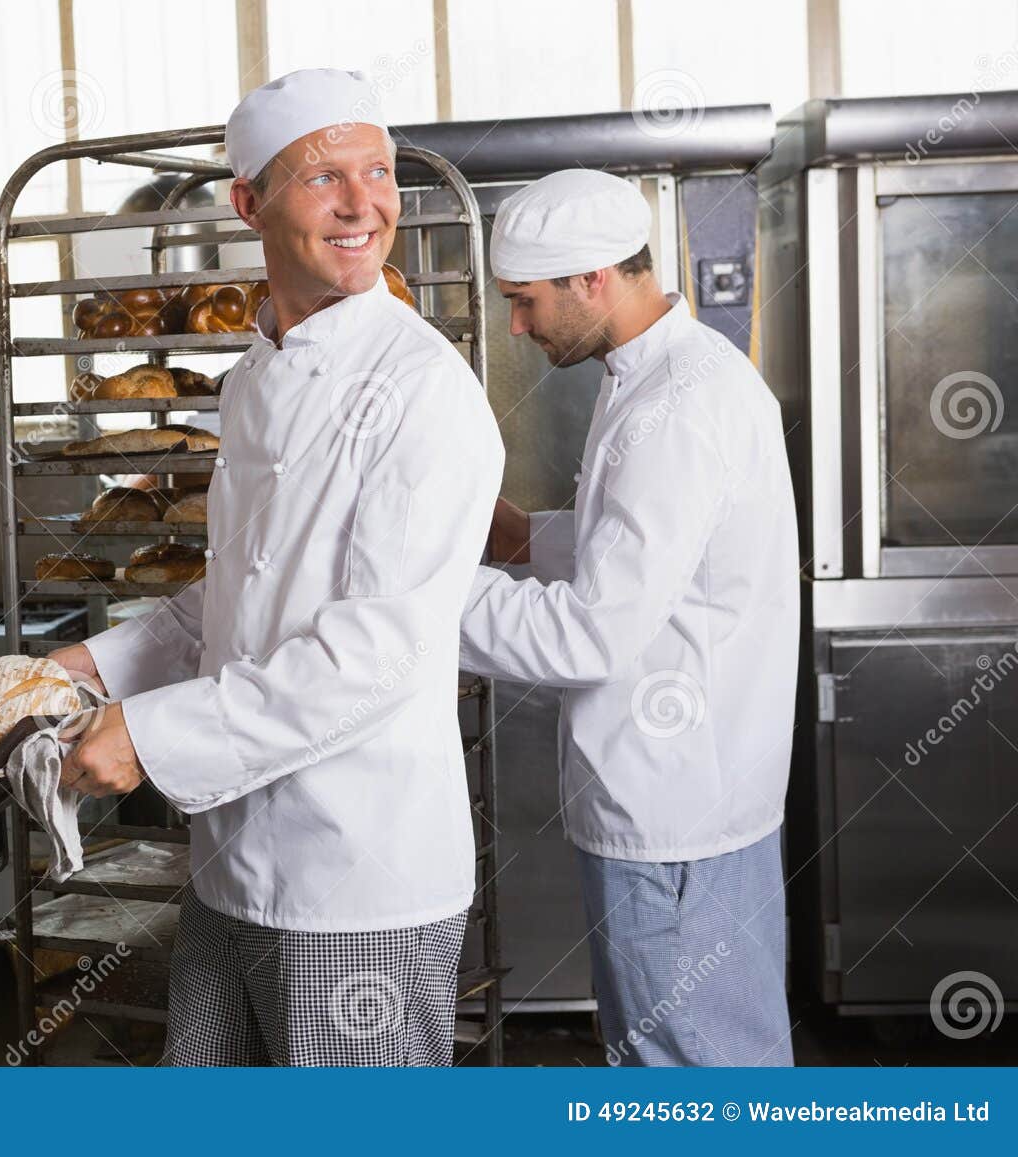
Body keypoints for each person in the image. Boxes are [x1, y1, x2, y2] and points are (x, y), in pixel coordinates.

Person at [48, 68, 502, 1066]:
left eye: (377, 172)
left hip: (355, 872)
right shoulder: (253, 376)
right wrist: (88, 669)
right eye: (322, 176)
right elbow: (246, 586)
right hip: (231, 858)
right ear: (247, 201)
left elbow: (374, 653)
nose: (363, 204)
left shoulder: (423, 391)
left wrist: (149, 736)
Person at [461, 168, 799, 1066]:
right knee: (707, 1056)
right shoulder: (662, 375)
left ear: (592, 278)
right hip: (686, 796)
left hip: (672, 809)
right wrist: (528, 537)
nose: (517, 328)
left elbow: (595, 632)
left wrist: (423, 604)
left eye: (525, 303)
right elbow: (656, 552)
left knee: (687, 1073)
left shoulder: (681, 405)